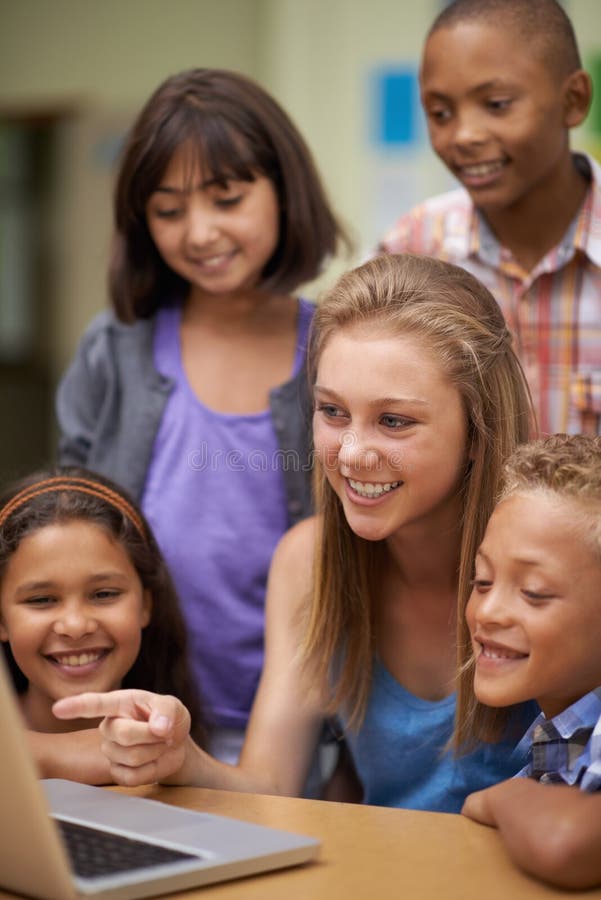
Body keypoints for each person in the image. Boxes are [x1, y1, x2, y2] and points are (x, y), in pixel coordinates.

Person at [54, 253, 536, 812]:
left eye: (394, 421)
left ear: (477, 430)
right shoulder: (308, 561)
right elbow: (273, 788)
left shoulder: (554, 560)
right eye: (333, 411)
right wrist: (183, 759)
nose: (351, 454)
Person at [55, 68, 348, 763]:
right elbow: (68, 521)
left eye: (227, 198)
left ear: (284, 188)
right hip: (134, 717)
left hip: (300, 727)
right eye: (168, 210)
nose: (201, 232)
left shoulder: (337, 350)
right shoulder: (115, 348)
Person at [378, 0, 601, 437]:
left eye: (496, 104)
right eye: (440, 114)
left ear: (573, 100)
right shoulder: (413, 246)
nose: (464, 135)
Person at [457, 434, 601, 889]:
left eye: (534, 593)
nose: (487, 611)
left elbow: (566, 841)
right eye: (482, 581)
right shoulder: (559, 734)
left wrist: (502, 797)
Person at [0, 466, 204, 783]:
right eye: (41, 599)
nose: (75, 626)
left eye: (104, 594)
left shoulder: (169, 738)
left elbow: (264, 792)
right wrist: (58, 755)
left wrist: (187, 761)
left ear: (145, 605)